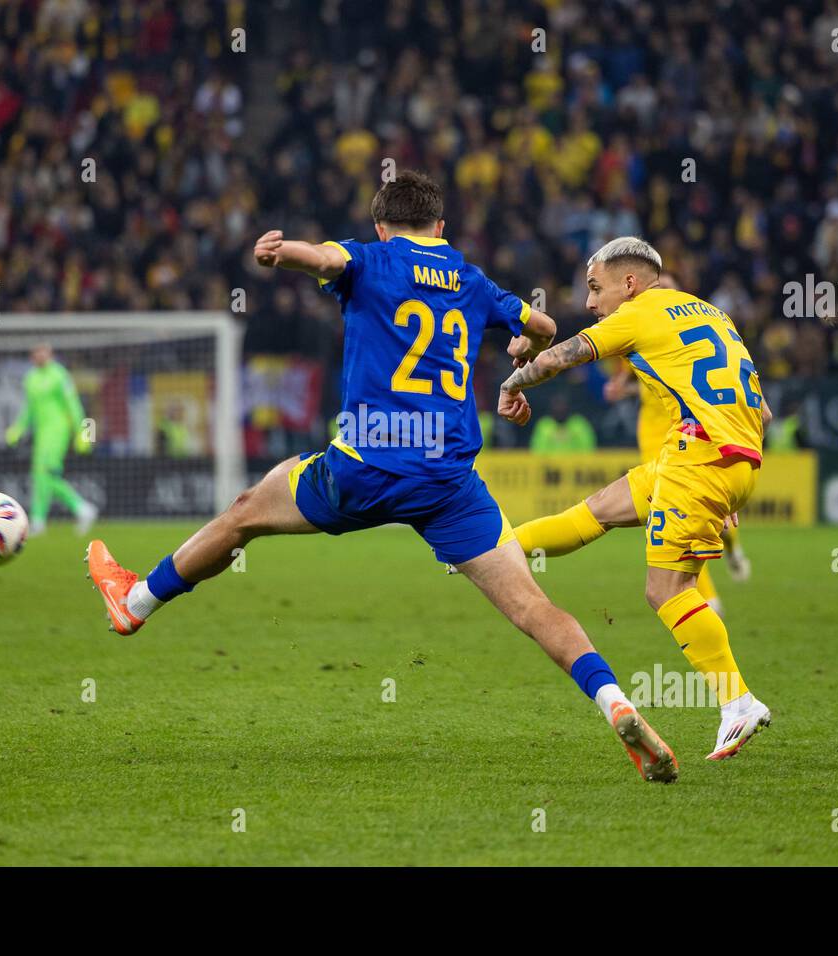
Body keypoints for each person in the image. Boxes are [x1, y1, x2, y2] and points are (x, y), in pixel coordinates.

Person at [85, 172, 678, 783]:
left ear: (380, 225)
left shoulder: (369, 258)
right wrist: (519, 359)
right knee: (533, 607)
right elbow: (546, 328)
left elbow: (325, 258)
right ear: (441, 228)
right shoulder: (471, 280)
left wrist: (282, 253)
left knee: (243, 514)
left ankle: (134, 602)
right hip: (449, 480)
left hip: (365, 466)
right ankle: (617, 704)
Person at [498, 237, 772, 761]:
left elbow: (559, 356)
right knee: (598, 509)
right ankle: (496, 551)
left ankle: (738, 702)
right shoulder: (712, 314)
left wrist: (512, 385)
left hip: (698, 460)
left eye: (596, 288)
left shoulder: (639, 311)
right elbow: (762, 414)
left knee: (665, 591)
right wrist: (730, 476)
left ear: (630, 283)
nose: (590, 304)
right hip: (719, 457)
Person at [603, 270, 752, 613]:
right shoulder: (644, 330)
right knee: (675, 516)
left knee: (708, 517)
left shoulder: (683, 336)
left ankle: (731, 552)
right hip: (654, 434)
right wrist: (620, 389)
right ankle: (707, 597)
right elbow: (635, 380)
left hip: (692, 432)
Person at [5, 343, 99, 536]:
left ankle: (80, 508)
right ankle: (40, 520)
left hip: (58, 430)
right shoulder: (30, 378)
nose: (39, 355)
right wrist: (18, 428)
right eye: (36, 352)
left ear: (50, 354)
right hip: (41, 433)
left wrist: (82, 432)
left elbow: (73, 404)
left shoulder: (59, 375)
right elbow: (29, 409)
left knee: (46, 472)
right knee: (40, 476)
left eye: (43, 351)